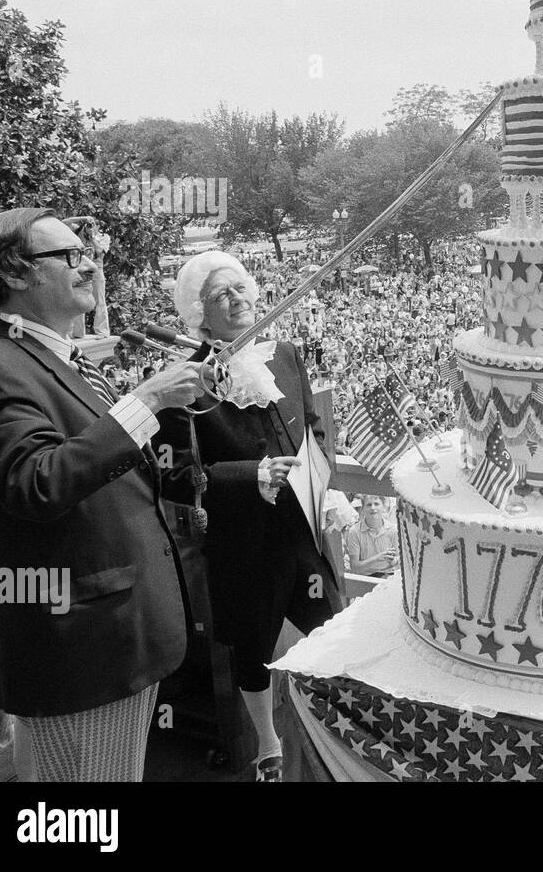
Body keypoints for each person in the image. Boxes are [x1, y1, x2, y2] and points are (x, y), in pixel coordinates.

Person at [0, 207, 205, 781]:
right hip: (80, 652)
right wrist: (145, 401)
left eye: (87, 252)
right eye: (69, 255)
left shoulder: (55, 360)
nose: (89, 265)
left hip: (119, 640)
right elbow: (38, 482)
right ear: (16, 273)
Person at [154, 250, 343, 782]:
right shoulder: (182, 379)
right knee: (252, 648)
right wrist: (247, 477)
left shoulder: (284, 353)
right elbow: (173, 474)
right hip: (242, 542)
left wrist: (325, 482)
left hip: (304, 527)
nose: (236, 301)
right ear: (198, 311)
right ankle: (267, 744)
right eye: (219, 296)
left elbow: (311, 426)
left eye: (240, 288)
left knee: (332, 629)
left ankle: (330, 737)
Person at [345, 495, 399, 576]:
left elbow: (399, 559)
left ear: (383, 507)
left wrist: (394, 561)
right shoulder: (354, 532)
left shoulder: (393, 530)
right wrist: (378, 558)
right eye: (369, 505)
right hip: (364, 577)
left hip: (388, 576)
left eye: (376, 504)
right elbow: (355, 568)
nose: (373, 508)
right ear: (363, 508)